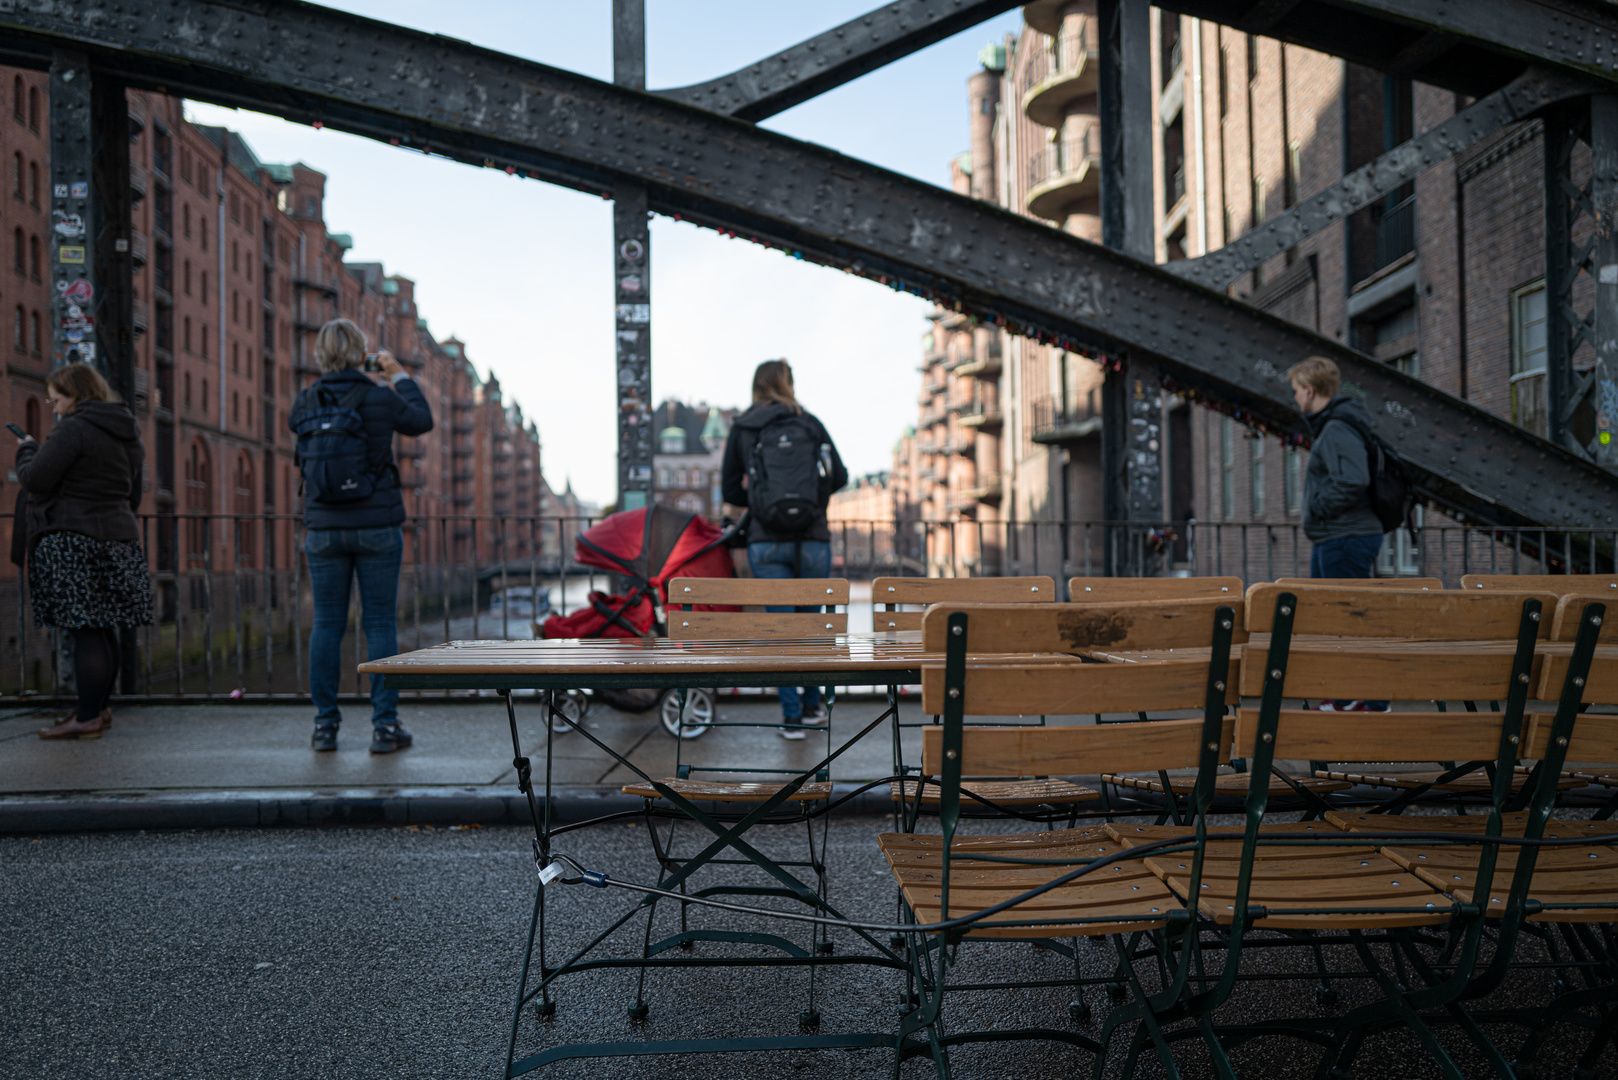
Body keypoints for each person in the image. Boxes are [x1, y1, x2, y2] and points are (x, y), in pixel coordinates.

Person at [292, 318, 432, 753]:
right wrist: (398, 375)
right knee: (379, 624)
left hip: (324, 528)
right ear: (361, 354)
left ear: (321, 355)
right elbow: (421, 421)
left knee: (327, 625)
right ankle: (384, 727)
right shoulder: (378, 396)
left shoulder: (305, 400)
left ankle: (324, 727)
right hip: (376, 525)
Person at [15, 364, 153, 740]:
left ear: (76, 394)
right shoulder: (128, 433)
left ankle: (87, 716)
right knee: (103, 627)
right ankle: (99, 710)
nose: (55, 408)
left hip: (75, 539)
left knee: (85, 629)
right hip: (119, 537)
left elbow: (36, 478)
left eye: (57, 399)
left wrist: (27, 450)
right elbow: (134, 494)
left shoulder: (73, 428)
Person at [721, 359, 848, 740]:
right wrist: (810, 500)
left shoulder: (744, 427)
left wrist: (761, 502)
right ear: (787, 383)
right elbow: (840, 476)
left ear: (756, 386)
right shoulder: (809, 422)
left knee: (780, 630)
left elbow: (729, 490)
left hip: (766, 540)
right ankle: (813, 708)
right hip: (812, 539)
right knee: (811, 627)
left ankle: (791, 717)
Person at [1288, 354, 1390, 712]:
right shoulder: (1339, 424)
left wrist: (1317, 508)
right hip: (1336, 537)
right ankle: (1347, 695)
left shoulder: (1337, 428)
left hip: (1344, 537)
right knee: (1336, 620)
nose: (1296, 399)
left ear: (1311, 391)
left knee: (1347, 622)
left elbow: (1353, 479)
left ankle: (1366, 700)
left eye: (1297, 391)